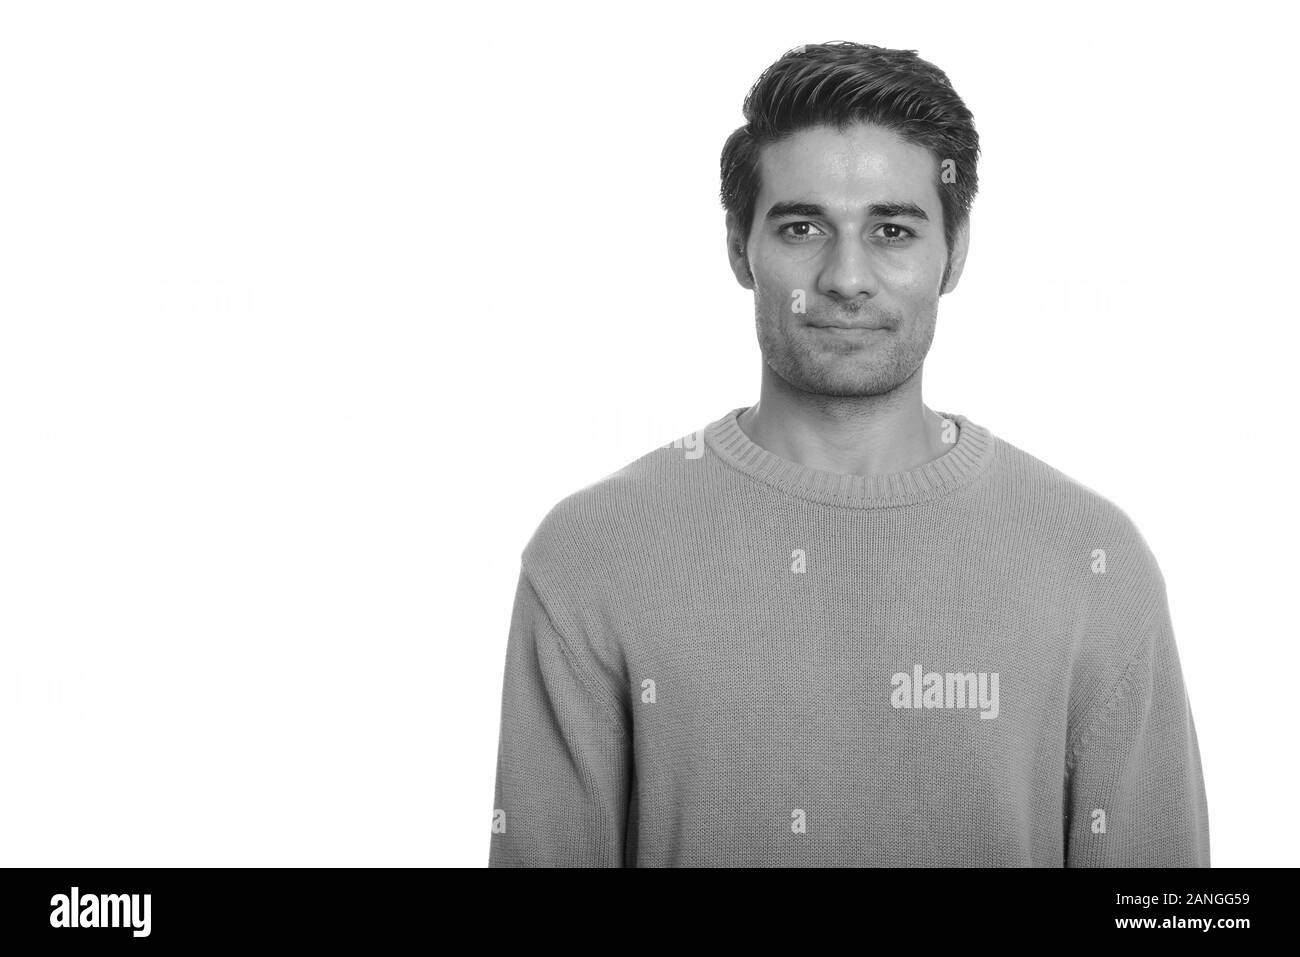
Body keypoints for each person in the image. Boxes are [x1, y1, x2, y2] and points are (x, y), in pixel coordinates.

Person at [487, 41, 1210, 867]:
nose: (845, 277)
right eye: (802, 227)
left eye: (893, 229)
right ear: (737, 246)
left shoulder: (1093, 562)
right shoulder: (591, 554)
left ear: (956, 250)